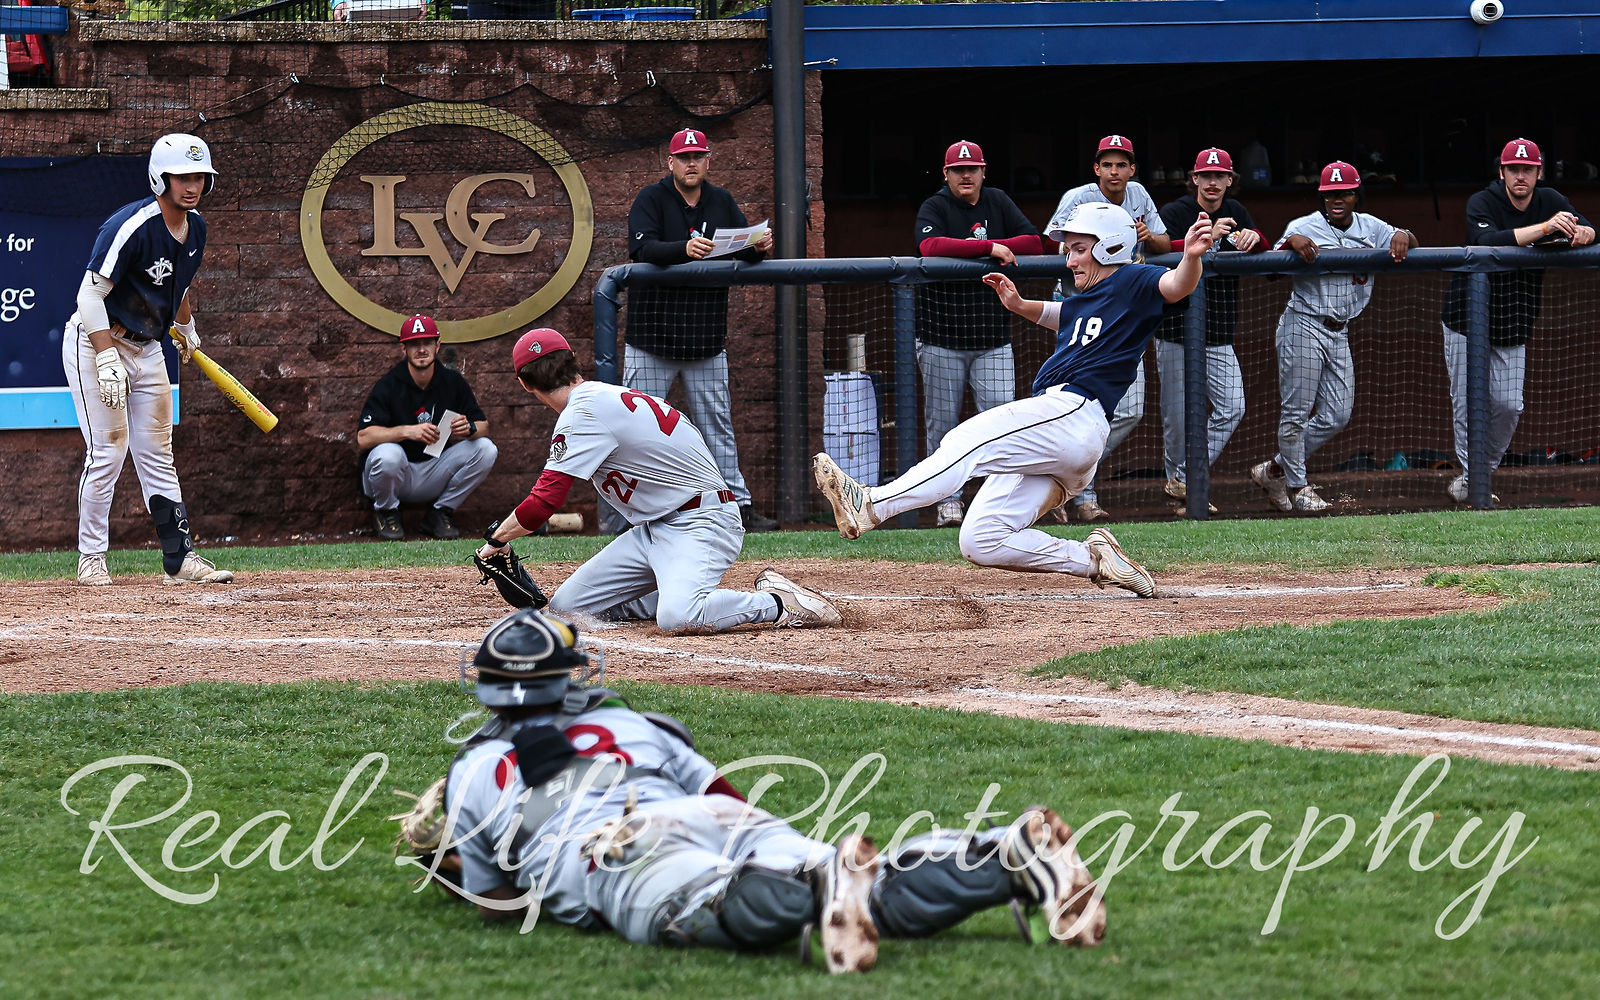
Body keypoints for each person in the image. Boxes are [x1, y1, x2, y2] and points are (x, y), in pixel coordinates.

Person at [394, 607, 1107, 973]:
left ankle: (816, 882)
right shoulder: (630, 721)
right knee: (868, 894)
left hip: (616, 849)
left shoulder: (472, 771)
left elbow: (495, 904)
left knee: (706, 901)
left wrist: (451, 868)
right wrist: (750, 832)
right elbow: (723, 792)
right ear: (571, 675)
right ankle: (1003, 857)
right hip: (710, 812)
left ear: (487, 686)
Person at [814, 202, 1216, 598]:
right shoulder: (1090, 298)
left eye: (1079, 248)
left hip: (1073, 412)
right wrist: (1021, 306)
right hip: (1067, 442)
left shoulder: (1134, 279)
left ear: (1110, 246)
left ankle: (871, 505)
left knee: (966, 440)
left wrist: (1192, 257)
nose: (1070, 260)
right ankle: (1094, 561)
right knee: (980, 540)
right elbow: (1066, 315)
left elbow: (1176, 285)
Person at [476, 328, 839, 632]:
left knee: (680, 616)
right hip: (655, 529)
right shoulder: (606, 396)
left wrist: (496, 539)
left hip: (700, 521)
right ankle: (671, 587)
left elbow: (544, 502)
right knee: (567, 610)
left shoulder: (583, 413)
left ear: (524, 383)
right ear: (573, 359)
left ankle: (778, 603)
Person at [62, 133, 233, 587]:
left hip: (149, 347)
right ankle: (91, 558)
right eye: (182, 176)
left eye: (199, 176)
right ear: (162, 177)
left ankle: (179, 558)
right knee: (108, 451)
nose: (191, 185)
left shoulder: (196, 228)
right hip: (97, 339)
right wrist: (104, 358)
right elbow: (88, 296)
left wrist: (186, 327)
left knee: (158, 454)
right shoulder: (131, 226)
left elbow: (176, 287)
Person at [623, 127, 779, 535]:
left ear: (708, 161)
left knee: (717, 425)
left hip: (705, 339)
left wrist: (758, 248)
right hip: (651, 339)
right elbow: (641, 249)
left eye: (698, 157)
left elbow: (741, 246)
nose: (691, 163)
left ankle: (737, 506)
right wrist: (682, 250)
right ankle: (636, 512)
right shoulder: (651, 198)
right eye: (684, 157)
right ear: (670, 163)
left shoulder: (721, 200)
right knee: (638, 428)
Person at [1250, 161, 1417, 514]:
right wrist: (1288, 244)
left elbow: (1409, 242)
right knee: (1295, 412)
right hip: (1304, 323)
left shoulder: (1371, 226)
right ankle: (1298, 486)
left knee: (1337, 415)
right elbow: (1269, 271)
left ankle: (1275, 469)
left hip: (1340, 331)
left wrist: (1404, 232)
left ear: (1356, 195)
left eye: (1343, 193)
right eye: (1329, 194)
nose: (1336, 199)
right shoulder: (1303, 225)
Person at [1439, 138, 1594, 503]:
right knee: (1467, 403)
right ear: (1502, 172)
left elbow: (1586, 227)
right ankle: (1475, 482)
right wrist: (1545, 229)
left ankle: (1478, 475)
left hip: (1515, 319)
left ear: (1538, 173)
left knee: (1509, 406)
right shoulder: (1484, 200)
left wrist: (1585, 232)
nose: (1520, 175)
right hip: (1466, 318)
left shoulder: (1550, 200)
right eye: (1513, 169)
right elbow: (1485, 240)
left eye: (1527, 169)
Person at [913, 139, 1048, 528]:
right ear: (946, 174)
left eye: (973, 169)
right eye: (958, 169)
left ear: (983, 172)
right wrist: (990, 247)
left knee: (1001, 426)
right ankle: (948, 501)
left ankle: (997, 505)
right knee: (944, 427)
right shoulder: (935, 205)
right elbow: (930, 245)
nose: (966, 175)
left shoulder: (998, 200)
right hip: (942, 337)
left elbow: (1034, 241)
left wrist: (995, 247)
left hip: (992, 338)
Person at [1043, 136, 1172, 522]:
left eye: (1122, 164)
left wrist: (1148, 238)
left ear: (1132, 169)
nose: (1115, 171)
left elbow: (1164, 245)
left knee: (1129, 410)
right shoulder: (1077, 197)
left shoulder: (1139, 195)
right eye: (1107, 164)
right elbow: (1057, 246)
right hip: (1082, 311)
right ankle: (1081, 494)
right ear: (1096, 169)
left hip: (1125, 313)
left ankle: (1066, 479)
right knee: (1073, 402)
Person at [1154, 147, 1265, 514]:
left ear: (1230, 180)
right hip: (1173, 327)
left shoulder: (1238, 213)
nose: (1213, 181)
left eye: (1220, 176)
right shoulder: (1174, 213)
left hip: (1217, 329)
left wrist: (1255, 239)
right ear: (1195, 179)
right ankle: (1182, 498)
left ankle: (1185, 477)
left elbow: (1265, 248)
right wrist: (1211, 237)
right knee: (1176, 419)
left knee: (1233, 406)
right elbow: (1156, 255)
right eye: (1206, 175)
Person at [356, 314, 497, 541]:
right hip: (396, 475)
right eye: (414, 344)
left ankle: (439, 512)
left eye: (427, 343)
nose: (421, 349)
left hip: (434, 468)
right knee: (388, 454)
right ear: (404, 349)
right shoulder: (389, 384)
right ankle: (386, 511)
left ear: (437, 345)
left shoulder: (452, 381)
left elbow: (484, 427)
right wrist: (407, 431)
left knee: (486, 448)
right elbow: (363, 437)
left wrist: (468, 427)